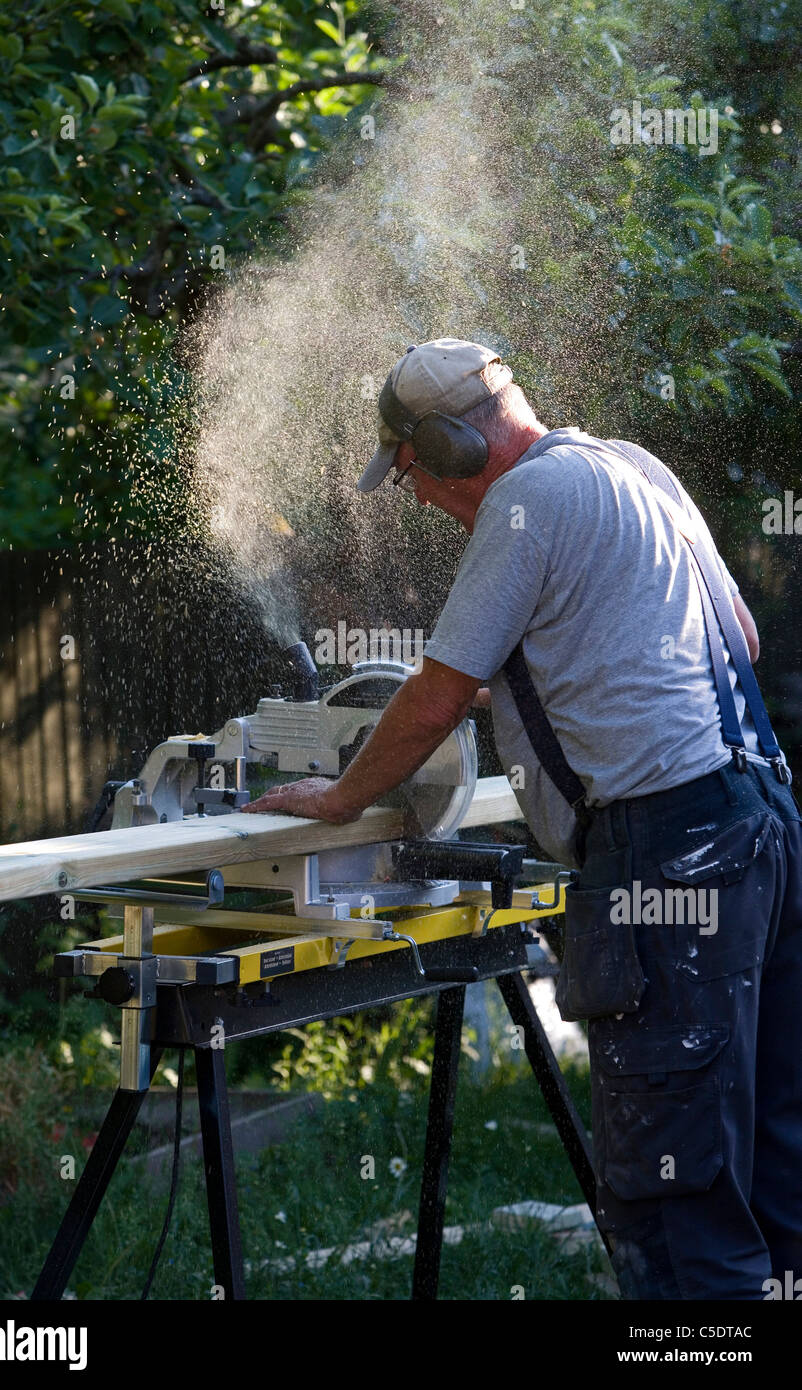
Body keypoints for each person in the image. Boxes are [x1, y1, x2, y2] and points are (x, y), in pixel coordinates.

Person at [243, 337, 802, 1300]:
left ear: (458, 443)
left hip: (670, 858)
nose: (416, 496)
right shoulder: (633, 464)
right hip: (765, 830)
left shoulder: (524, 504)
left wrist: (340, 798)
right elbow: (740, 638)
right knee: (773, 1164)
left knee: (674, 1210)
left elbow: (433, 696)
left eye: (414, 469)